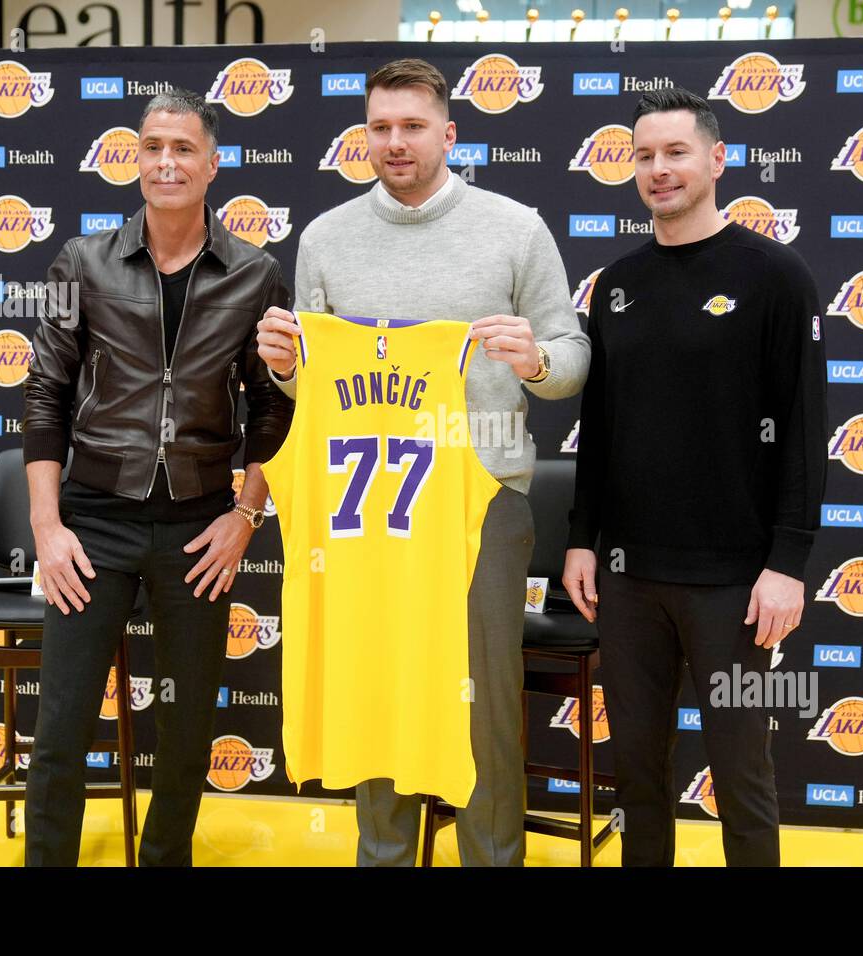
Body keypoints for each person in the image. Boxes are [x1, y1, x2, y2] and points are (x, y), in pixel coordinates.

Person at [256, 58, 590, 867]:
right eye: (380, 128)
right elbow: (314, 392)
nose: (395, 143)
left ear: (449, 132)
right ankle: (384, 858)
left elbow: (574, 357)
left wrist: (536, 361)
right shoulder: (327, 238)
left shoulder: (515, 227)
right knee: (379, 695)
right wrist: (283, 365)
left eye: (412, 127)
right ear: (362, 135)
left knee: (479, 713)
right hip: (367, 510)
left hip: (483, 504)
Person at [21, 89, 293, 866]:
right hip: (92, 519)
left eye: (182, 148)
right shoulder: (83, 261)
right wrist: (48, 526)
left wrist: (244, 516)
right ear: (134, 160)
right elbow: (44, 394)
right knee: (64, 726)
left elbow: (273, 412)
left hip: (198, 525)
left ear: (213, 163)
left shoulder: (256, 274)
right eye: (151, 147)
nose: (165, 161)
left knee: (186, 736)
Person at [562, 87, 828, 867]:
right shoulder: (616, 283)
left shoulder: (776, 274)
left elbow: (807, 433)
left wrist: (787, 563)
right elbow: (600, 428)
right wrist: (582, 540)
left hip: (734, 583)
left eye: (675, 152)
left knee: (743, 779)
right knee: (638, 778)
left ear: (717, 159)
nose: (658, 170)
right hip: (629, 579)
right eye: (642, 156)